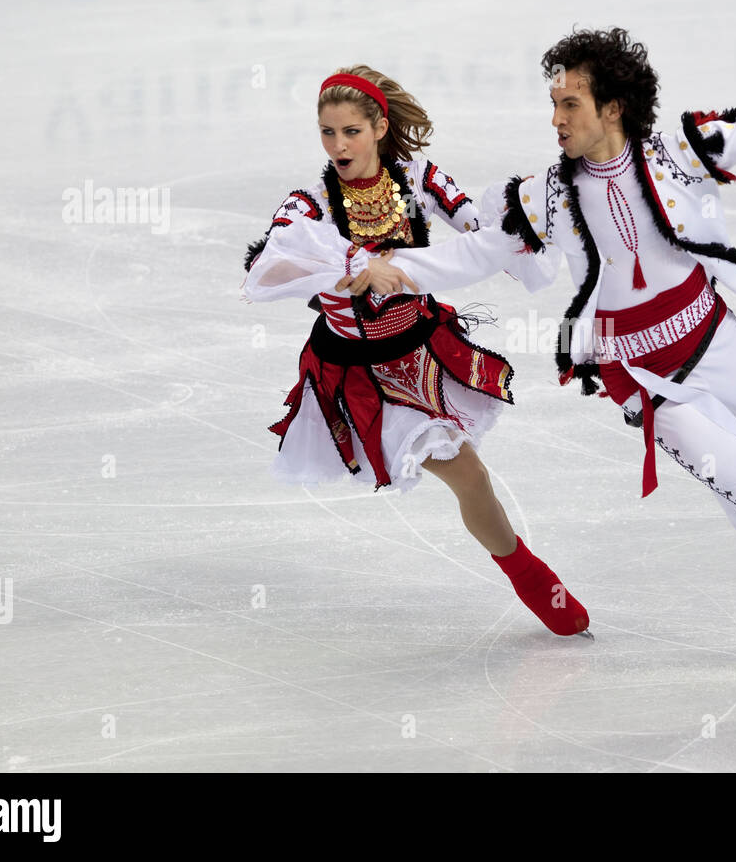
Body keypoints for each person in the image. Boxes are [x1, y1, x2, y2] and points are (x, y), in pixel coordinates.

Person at [358, 29, 736, 669]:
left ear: (613, 106)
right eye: (553, 104)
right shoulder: (545, 197)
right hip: (643, 376)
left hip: (716, 336)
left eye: (571, 105)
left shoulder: (681, 155)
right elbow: (472, 253)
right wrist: (386, 267)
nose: (555, 119)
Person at [240, 66, 589, 637]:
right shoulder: (310, 204)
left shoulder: (417, 177)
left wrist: (522, 242)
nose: (338, 145)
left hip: (423, 351)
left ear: (378, 127)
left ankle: (527, 576)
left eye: (350, 131)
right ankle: (532, 577)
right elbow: (269, 264)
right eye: (327, 133)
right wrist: (351, 263)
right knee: (469, 474)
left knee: (470, 478)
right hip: (360, 373)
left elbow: (483, 229)